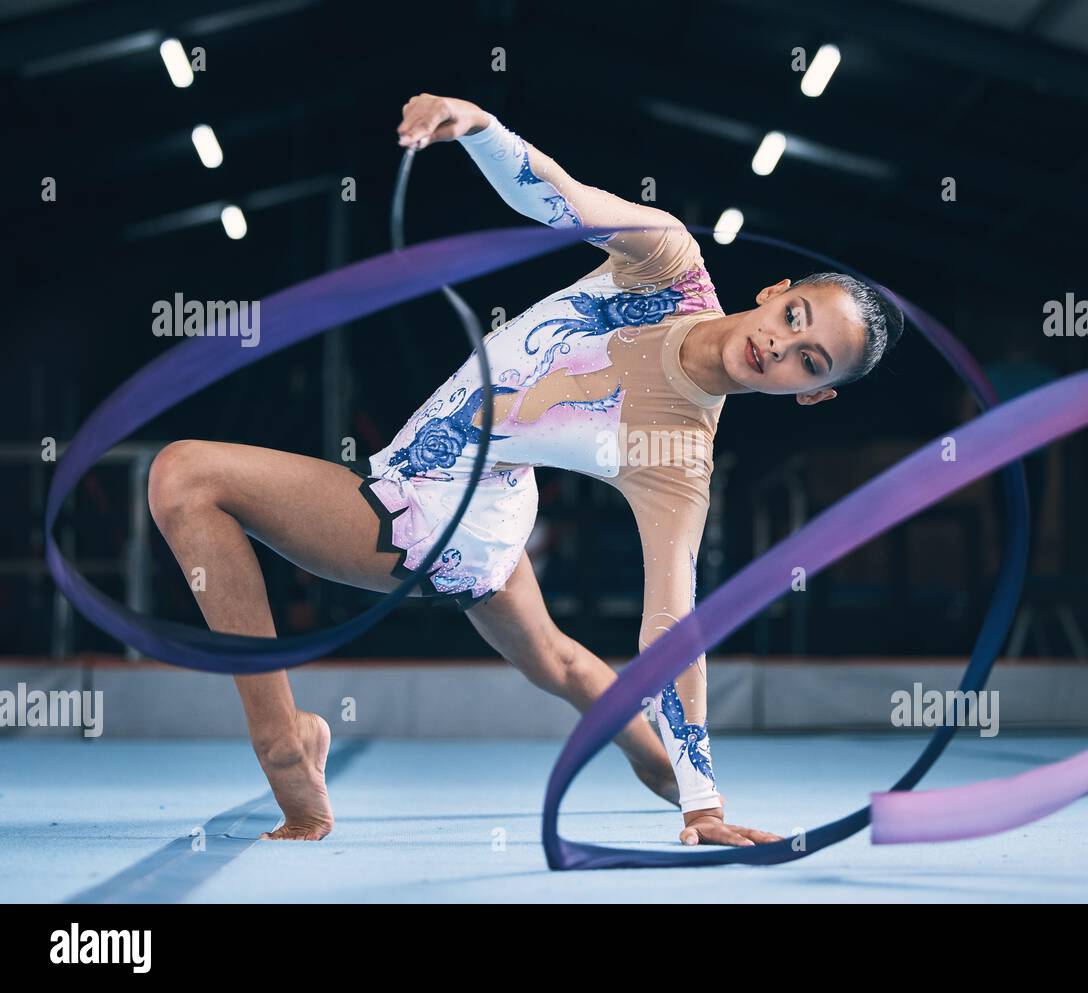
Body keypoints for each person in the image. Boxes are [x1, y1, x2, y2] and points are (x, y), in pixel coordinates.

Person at [146, 94, 902, 846]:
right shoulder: (666, 262)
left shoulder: (679, 454)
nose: (782, 346)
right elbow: (560, 199)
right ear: (776, 293)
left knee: (185, 477)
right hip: (496, 497)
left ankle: (283, 742)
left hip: (436, 509)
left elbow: (672, 626)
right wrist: (479, 125)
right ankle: (658, 763)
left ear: (812, 393)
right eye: (795, 319)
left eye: (811, 361)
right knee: (560, 662)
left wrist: (708, 810)